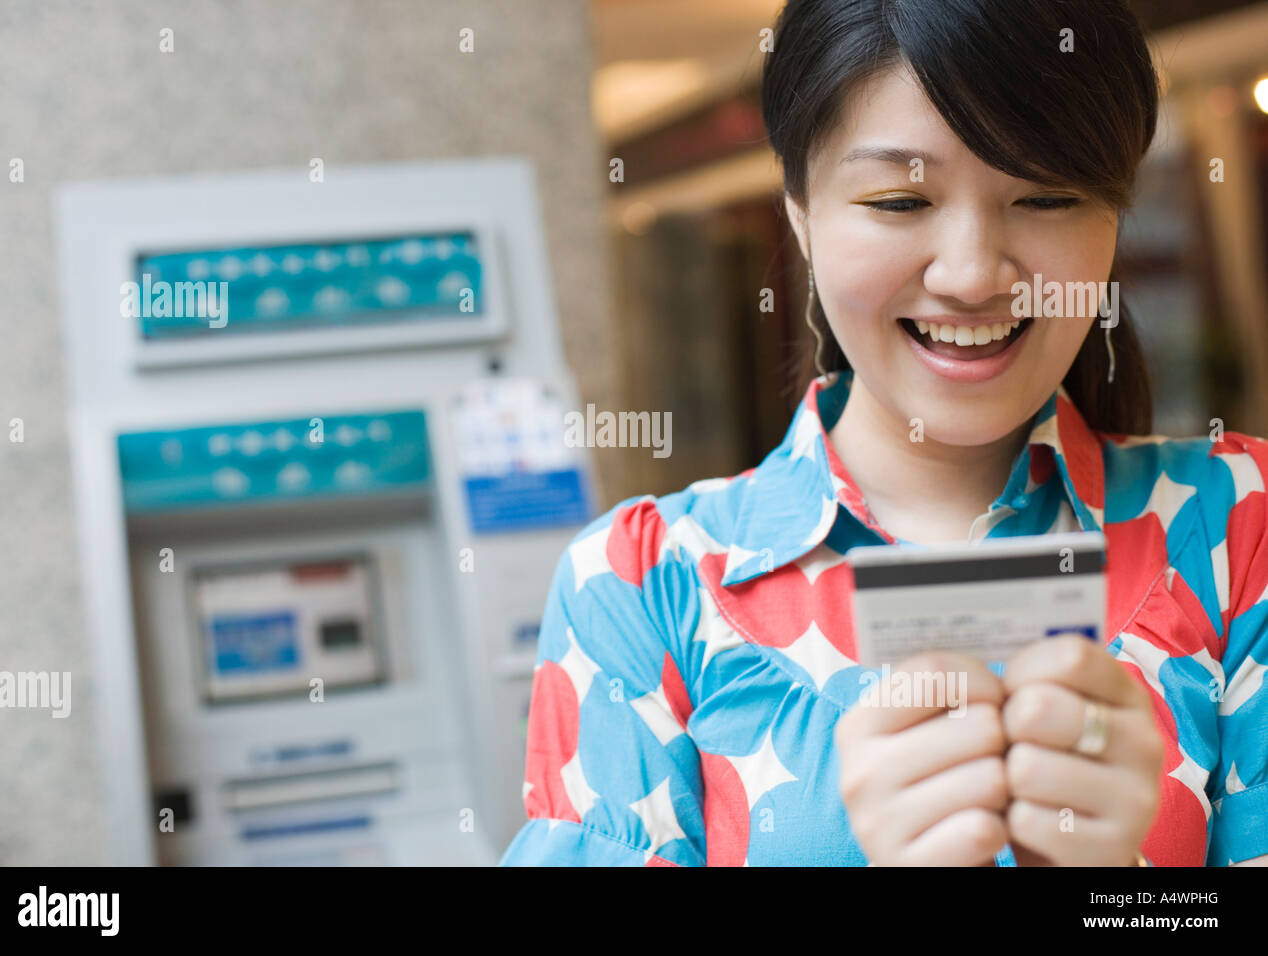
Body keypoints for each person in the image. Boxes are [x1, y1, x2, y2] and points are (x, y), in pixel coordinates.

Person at [500, 0, 1268, 866]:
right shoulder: (643, 587)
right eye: (901, 199)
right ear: (800, 212)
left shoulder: (1237, 531)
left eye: (1045, 195)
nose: (974, 273)